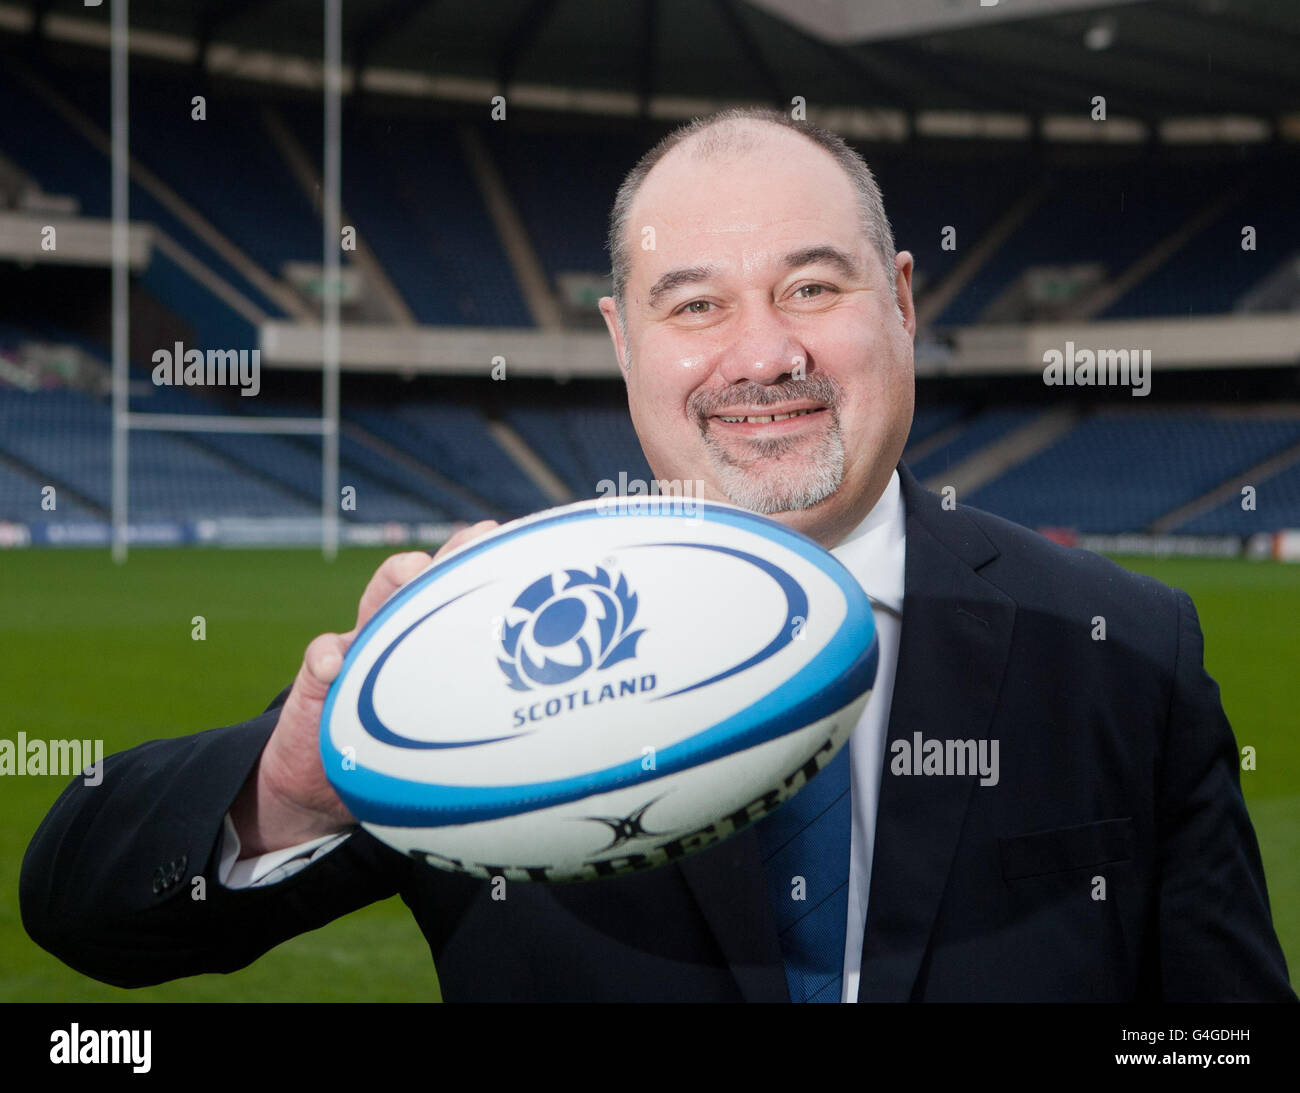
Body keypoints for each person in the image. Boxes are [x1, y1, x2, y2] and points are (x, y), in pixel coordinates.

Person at [21, 108, 1295, 1002]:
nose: (762, 355)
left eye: (812, 287)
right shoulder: (494, 645)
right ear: (620, 340)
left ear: (902, 301)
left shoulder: (1126, 645)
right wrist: (294, 787)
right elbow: (87, 914)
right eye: (693, 306)